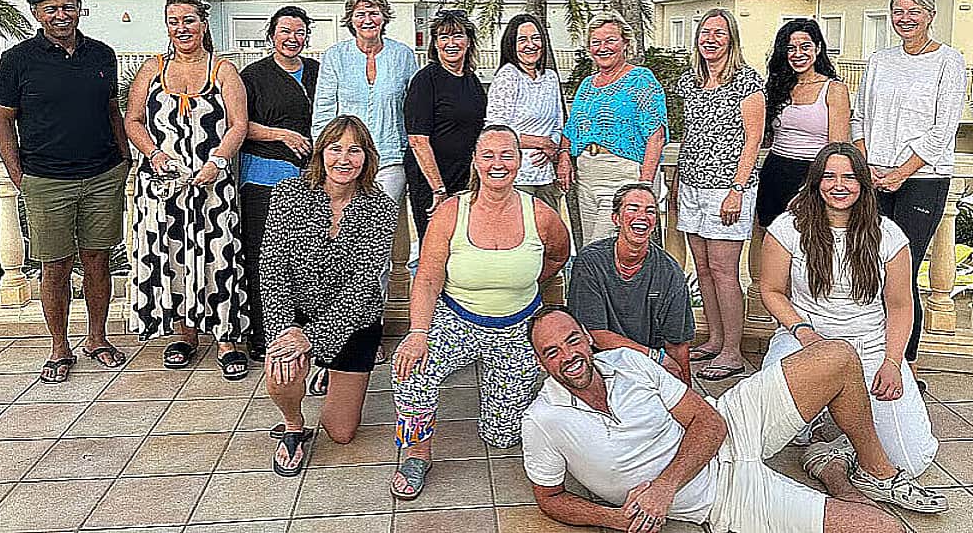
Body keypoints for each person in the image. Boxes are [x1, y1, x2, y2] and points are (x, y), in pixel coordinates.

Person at [521, 307, 948, 533]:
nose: (567, 356)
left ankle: (874, 472)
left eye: (572, 340)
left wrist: (663, 489)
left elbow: (709, 422)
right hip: (725, 496)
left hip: (731, 428)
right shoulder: (544, 420)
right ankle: (833, 473)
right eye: (551, 352)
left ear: (587, 339)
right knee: (883, 529)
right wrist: (617, 519)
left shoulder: (626, 364)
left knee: (837, 356)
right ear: (540, 363)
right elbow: (550, 498)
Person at [391, 125, 570, 500]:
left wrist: (518, 280)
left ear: (520, 162)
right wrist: (418, 332)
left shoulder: (540, 214)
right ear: (475, 161)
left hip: (516, 326)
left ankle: (501, 412)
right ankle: (417, 453)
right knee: (410, 369)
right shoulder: (450, 213)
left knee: (501, 436)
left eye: (507, 154)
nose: (497, 163)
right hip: (456, 318)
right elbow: (426, 278)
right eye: (488, 155)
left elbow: (557, 256)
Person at [760, 143, 938, 477]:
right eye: (828, 176)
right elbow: (770, 291)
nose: (838, 185)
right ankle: (823, 415)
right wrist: (803, 332)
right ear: (815, 182)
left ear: (863, 183)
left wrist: (893, 362)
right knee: (768, 439)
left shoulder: (889, 235)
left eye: (848, 177)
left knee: (912, 460)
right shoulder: (787, 228)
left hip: (868, 345)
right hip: (805, 340)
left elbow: (900, 307)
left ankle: (842, 439)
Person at [0, 0, 131, 383]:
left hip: (103, 173)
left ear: (79, 9)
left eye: (68, 6)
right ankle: (59, 347)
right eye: (51, 8)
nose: (60, 14)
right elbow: (3, 122)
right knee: (54, 266)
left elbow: (111, 111)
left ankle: (97, 339)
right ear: (36, 13)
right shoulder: (17, 60)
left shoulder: (102, 55)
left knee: (98, 260)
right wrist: (17, 172)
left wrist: (123, 158)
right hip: (46, 178)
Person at [258, 115, 399, 477]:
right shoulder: (289, 194)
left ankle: (327, 367)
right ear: (320, 154)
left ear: (367, 158)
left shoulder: (381, 208)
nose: (344, 159)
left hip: (355, 319)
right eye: (335, 149)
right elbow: (272, 270)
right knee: (282, 370)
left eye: (355, 150)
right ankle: (292, 425)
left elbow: (364, 285)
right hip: (297, 313)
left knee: (340, 432)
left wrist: (313, 338)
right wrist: (286, 331)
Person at [125, 0, 251, 380]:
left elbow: (238, 125)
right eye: (174, 21)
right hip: (163, 189)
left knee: (219, 259)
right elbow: (133, 121)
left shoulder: (223, 70)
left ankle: (227, 339)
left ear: (203, 24)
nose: (181, 28)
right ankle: (185, 335)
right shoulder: (152, 69)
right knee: (172, 258)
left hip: (212, 188)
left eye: (189, 20)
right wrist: (154, 155)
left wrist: (217, 161)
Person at [852, 0, 966, 363]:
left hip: (922, 179)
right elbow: (860, 118)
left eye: (914, 11)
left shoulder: (949, 61)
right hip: (874, 178)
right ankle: (871, 356)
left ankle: (902, 362)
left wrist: (901, 172)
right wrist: (866, 164)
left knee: (903, 270)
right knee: (870, 266)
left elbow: (943, 128)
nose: (905, 18)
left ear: (930, 16)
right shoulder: (880, 60)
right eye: (898, 11)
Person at [670, 8, 764, 381]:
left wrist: (736, 190)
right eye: (704, 32)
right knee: (704, 270)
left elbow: (753, 139)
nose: (710, 39)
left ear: (731, 39)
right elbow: (688, 134)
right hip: (692, 185)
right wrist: (678, 180)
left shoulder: (747, 82)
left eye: (718, 33)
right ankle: (715, 338)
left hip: (728, 187)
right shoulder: (689, 82)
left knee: (725, 272)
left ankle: (732, 352)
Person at [239, 6, 320, 361]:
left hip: (311, 179)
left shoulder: (319, 72)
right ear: (271, 34)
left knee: (305, 260)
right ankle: (262, 333)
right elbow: (237, 124)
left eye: (300, 31)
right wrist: (282, 135)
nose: (293, 38)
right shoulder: (253, 75)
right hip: (262, 178)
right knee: (263, 256)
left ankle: (303, 331)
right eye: (285, 30)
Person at [567, 182, 694, 384]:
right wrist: (656, 357)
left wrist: (687, 392)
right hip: (598, 363)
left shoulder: (669, 272)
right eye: (633, 209)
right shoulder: (591, 261)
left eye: (650, 211)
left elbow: (677, 344)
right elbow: (593, 332)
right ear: (616, 218)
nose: (642, 216)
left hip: (647, 369)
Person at [559, 11, 667, 243]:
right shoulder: (587, 85)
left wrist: (644, 186)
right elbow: (572, 129)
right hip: (587, 174)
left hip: (624, 175)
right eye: (595, 42)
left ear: (625, 43)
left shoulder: (641, 79)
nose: (602, 47)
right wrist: (565, 155)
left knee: (607, 244)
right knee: (591, 249)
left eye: (610, 40)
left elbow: (656, 136)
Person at [313, 0, 418, 207]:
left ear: (384, 17)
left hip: (390, 158)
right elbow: (324, 109)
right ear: (350, 20)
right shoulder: (335, 56)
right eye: (360, 14)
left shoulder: (403, 55)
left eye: (374, 13)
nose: (367, 20)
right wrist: (325, 155)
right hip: (345, 160)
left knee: (382, 228)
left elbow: (414, 107)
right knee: (345, 224)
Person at [757, 18, 851, 230]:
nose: (798, 54)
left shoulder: (834, 89)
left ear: (818, 48)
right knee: (766, 235)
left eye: (805, 46)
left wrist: (808, 188)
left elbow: (836, 148)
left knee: (808, 238)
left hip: (813, 173)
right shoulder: (777, 87)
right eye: (791, 48)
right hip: (775, 170)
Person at [404, 8, 487, 241]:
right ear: (435, 43)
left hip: (464, 179)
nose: (451, 43)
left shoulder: (472, 81)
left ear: (469, 41)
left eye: (458, 35)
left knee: (463, 245)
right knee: (435, 244)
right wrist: (438, 190)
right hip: (431, 181)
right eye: (443, 36)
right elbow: (418, 140)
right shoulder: (425, 80)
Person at [485, 14, 564, 212]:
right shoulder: (507, 76)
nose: (530, 45)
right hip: (516, 176)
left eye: (535, 38)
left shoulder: (551, 78)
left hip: (546, 176)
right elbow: (496, 132)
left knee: (549, 237)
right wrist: (541, 143)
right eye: (522, 39)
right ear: (512, 45)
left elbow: (558, 123)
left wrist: (550, 148)